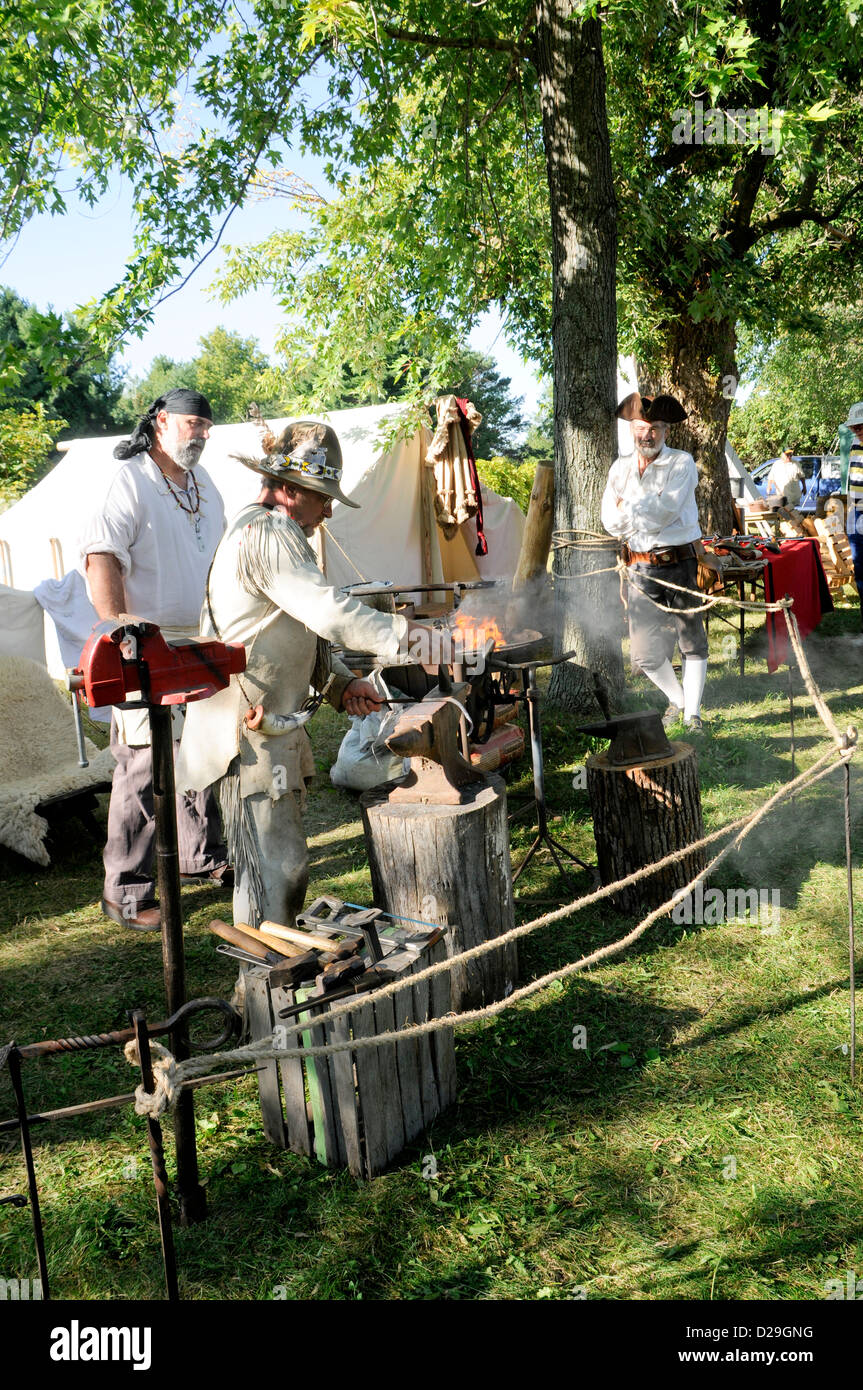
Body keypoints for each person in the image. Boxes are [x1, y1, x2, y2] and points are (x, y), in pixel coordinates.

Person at [174, 420, 452, 931]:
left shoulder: (274, 530)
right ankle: (264, 991)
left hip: (267, 727)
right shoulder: (267, 532)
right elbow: (327, 611)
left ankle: (272, 987)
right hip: (247, 732)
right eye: (321, 495)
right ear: (287, 489)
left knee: (281, 869)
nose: (327, 508)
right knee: (273, 874)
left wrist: (341, 683)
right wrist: (415, 637)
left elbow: (298, 629)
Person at [79, 388, 231, 931]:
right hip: (146, 644)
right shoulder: (130, 479)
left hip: (201, 639)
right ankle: (125, 890)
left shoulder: (204, 484)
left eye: (208, 426)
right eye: (194, 424)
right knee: (143, 765)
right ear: (162, 421)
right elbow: (102, 556)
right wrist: (121, 629)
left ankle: (199, 854)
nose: (203, 434)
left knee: (204, 751)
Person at [601, 391, 708, 732]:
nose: (647, 435)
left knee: (691, 640)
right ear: (631, 429)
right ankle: (678, 702)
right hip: (639, 568)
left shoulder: (681, 463)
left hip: (679, 562)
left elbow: (664, 513)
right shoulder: (619, 468)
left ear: (666, 431)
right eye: (640, 427)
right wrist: (644, 505)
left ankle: (693, 716)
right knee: (644, 654)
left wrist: (628, 506)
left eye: (655, 428)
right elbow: (609, 521)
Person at [841, 401, 863, 627]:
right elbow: (853, 484)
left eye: (860, 426)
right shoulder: (856, 444)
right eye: (853, 427)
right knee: (860, 571)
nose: (856, 431)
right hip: (856, 515)